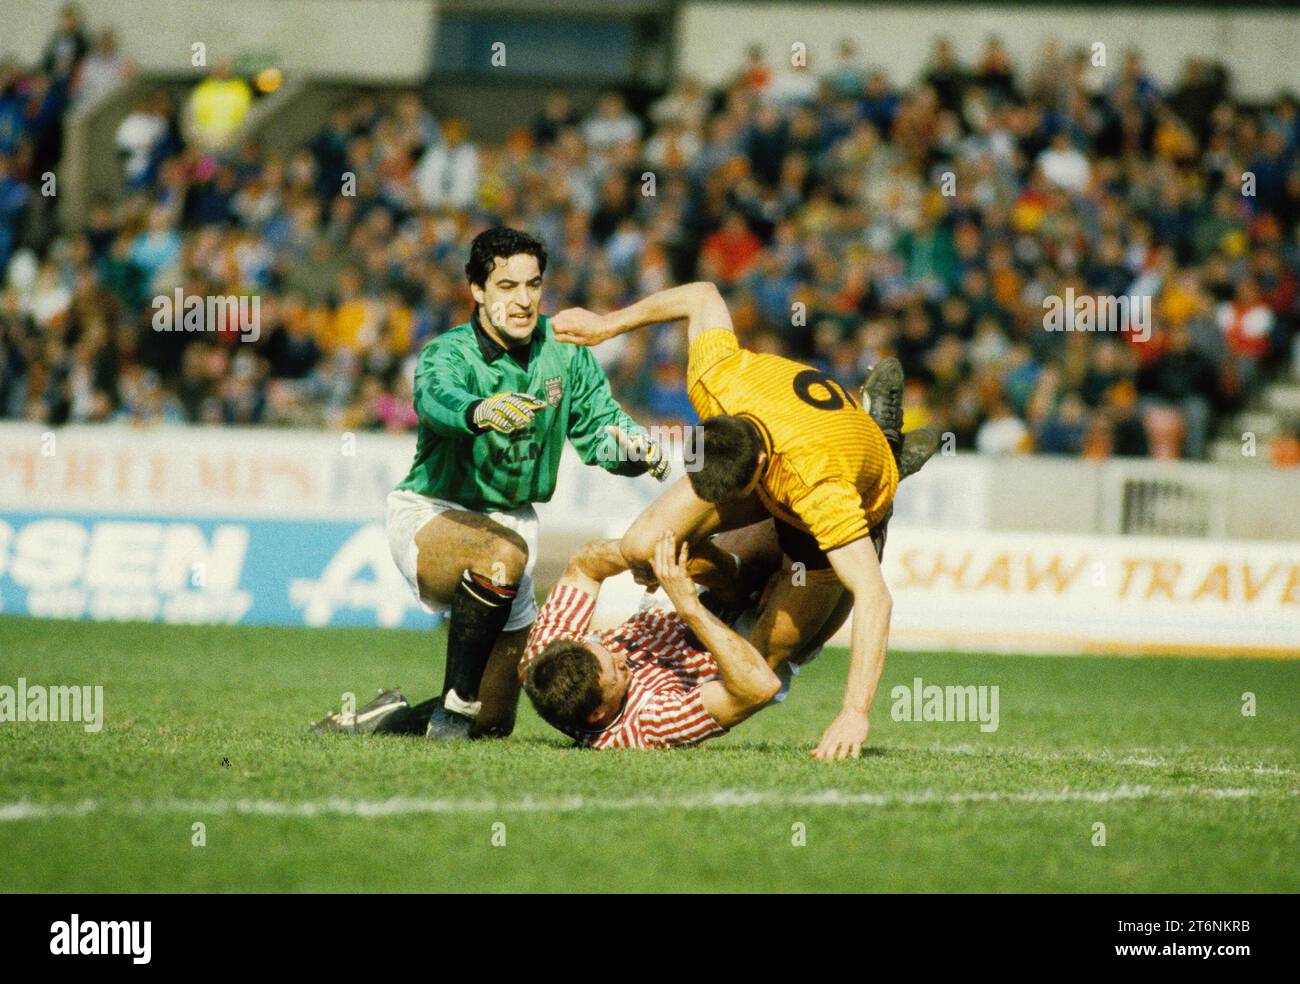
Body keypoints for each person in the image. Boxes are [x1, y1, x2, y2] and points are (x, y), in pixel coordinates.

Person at [553, 281, 935, 760]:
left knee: (771, 657)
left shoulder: (818, 488)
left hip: (835, 470)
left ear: (757, 472)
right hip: (784, 433)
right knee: (642, 545)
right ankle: (733, 578)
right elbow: (703, 295)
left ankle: (886, 450)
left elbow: (874, 596)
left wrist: (855, 711)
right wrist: (606, 324)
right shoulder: (716, 382)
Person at [313, 227, 667, 740]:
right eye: (507, 286)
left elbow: (600, 435)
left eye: (533, 285)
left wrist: (636, 452)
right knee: (499, 556)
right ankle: (452, 712)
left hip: (513, 524)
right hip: (433, 512)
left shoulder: (566, 354)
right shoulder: (447, 353)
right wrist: (481, 411)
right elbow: (436, 402)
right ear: (477, 290)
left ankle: (384, 718)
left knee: (495, 721)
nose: (524, 301)